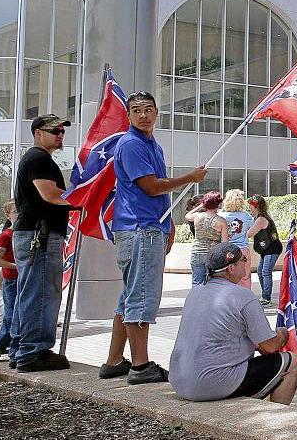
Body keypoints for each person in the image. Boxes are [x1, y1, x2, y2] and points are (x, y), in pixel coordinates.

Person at [102, 91, 207, 384]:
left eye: (148, 109)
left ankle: (113, 361)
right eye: (136, 110)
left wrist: (168, 224)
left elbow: (155, 192)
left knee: (129, 296)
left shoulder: (151, 145)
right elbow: (150, 187)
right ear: (129, 115)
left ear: (157, 112)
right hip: (139, 229)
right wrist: (190, 178)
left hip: (147, 226)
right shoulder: (132, 144)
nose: (143, 115)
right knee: (141, 296)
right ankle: (140, 365)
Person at [170, 242, 297, 404]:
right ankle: (275, 417)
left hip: (179, 381)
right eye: (244, 259)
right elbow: (270, 346)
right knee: (293, 362)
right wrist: (282, 335)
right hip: (208, 385)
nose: (247, 263)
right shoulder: (243, 296)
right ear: (231, 268)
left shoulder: (195, 291)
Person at [10, 114, 75, 372]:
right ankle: (33, 351)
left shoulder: (37, 158)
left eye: (62, 131)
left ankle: (21, 349)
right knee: (42, 294)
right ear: (38, 133)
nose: (60, 135)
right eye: (54, 130)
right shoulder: (38, 158)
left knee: (29, 293)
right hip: (41, 236)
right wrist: (81, 198)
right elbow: (50, 194)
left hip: (34, 234)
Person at [0, 201, 18, 364]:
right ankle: (0, 346)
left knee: (18, 315)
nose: (19, 214)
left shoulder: (22, 234)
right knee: (12, 316)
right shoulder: (6, 235)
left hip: (22, 279)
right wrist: (18, 266)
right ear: (8, 214)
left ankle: (2, 346)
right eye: (15, 211)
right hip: (12, 280)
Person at [185, 191, 229, 287]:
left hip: (197, 253)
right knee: (213, 284)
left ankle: (196, 301)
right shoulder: (222, 221)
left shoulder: (197, 216)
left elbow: (187, 216)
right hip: (213, 255)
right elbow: (225, 243)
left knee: (197, 283)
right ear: (218, 204)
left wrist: (200, 206)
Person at [249, 195, 283, 306]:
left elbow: (249, 234)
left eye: (251, 206)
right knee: (260, 271)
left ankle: (266, 298)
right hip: (267, 248)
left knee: (265, 272)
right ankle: (265, 294)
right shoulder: (259, 217)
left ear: (256, 207)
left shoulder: (261, 219)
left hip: (272, 248)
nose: (249, 208)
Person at [219, 189, 255, 290]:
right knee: (245, 276)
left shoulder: (221, 215)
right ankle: (245, 297)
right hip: (243, 249)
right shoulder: (245, 215)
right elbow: (251, 229)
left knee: (227, 276)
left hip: (227, 249)